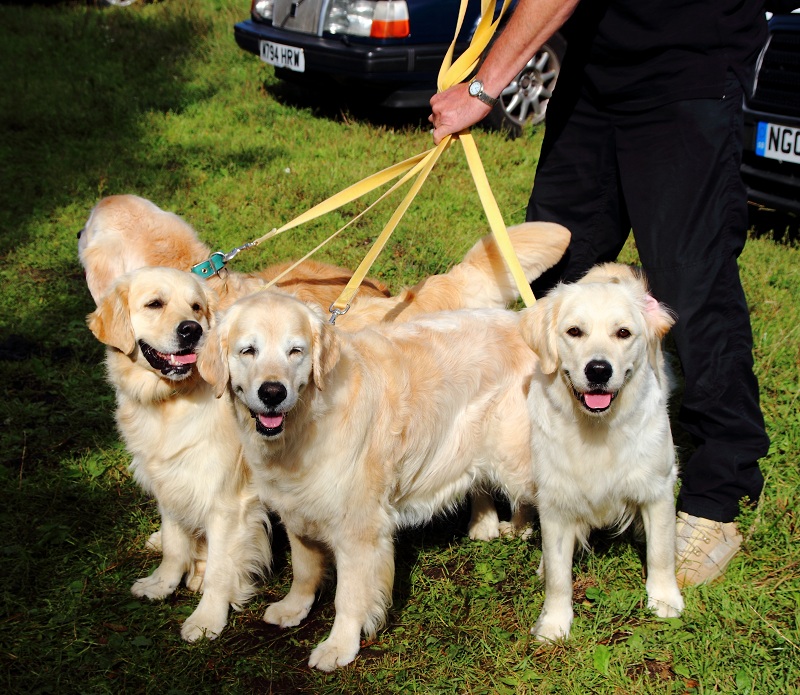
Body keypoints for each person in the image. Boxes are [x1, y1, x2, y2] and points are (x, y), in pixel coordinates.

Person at [430, 0, 772, 587]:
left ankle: (720, 491)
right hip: (594, 74)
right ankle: (537, 463)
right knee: (552, 283)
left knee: (691, 286)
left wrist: (485, 87)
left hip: (686, 65)